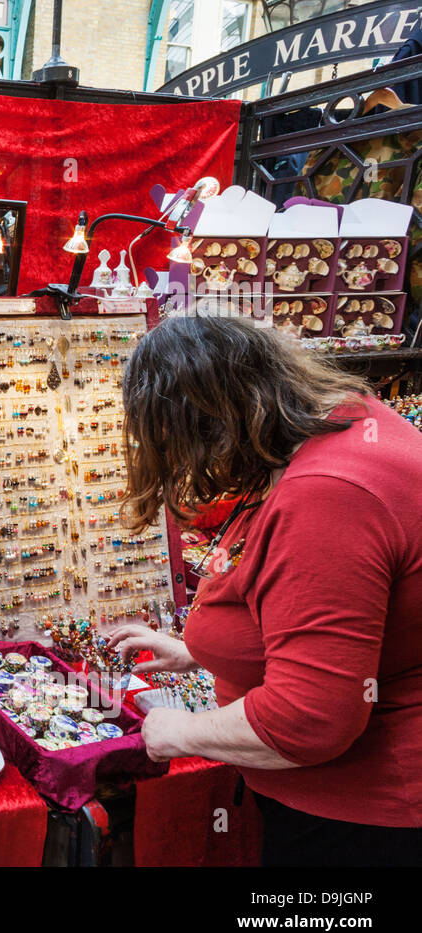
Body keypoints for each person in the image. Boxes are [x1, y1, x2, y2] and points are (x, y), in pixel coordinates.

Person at [108, 311, 422, 866]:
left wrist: (181, 732)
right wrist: (201, 652)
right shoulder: (348, 418)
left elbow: (311, 718)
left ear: (213, 424)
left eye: (180, 446)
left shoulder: (328, 494)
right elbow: (334, 613)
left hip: (364, 818)